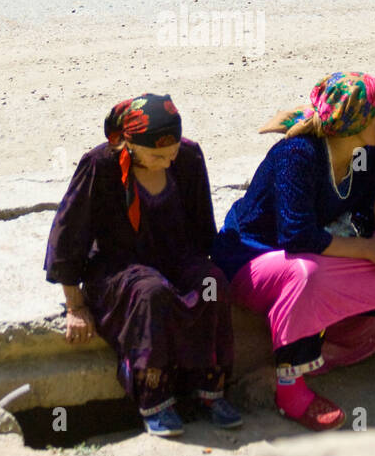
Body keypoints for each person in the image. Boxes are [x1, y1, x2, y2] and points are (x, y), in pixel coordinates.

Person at [212, 72, 375, 432]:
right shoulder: (298, 154)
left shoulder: (365, 154)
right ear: (357, 121)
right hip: (257, 257)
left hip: (326, 246)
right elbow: (296, 235)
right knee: (305, 273)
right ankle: (290, 390)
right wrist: (369, 251)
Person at [44, 95, 238, 438]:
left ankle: (209, 390)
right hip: (117, 267)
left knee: (212, 284)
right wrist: (75, 305)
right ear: (130, 145)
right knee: (153, 293)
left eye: (172, 152)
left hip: (176, 257)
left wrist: (203, 269)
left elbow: (201, 227)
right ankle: (155, 398)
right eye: (157, 155)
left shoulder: (188, 157)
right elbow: (68, 234)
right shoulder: (100, 166)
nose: (168, 161)